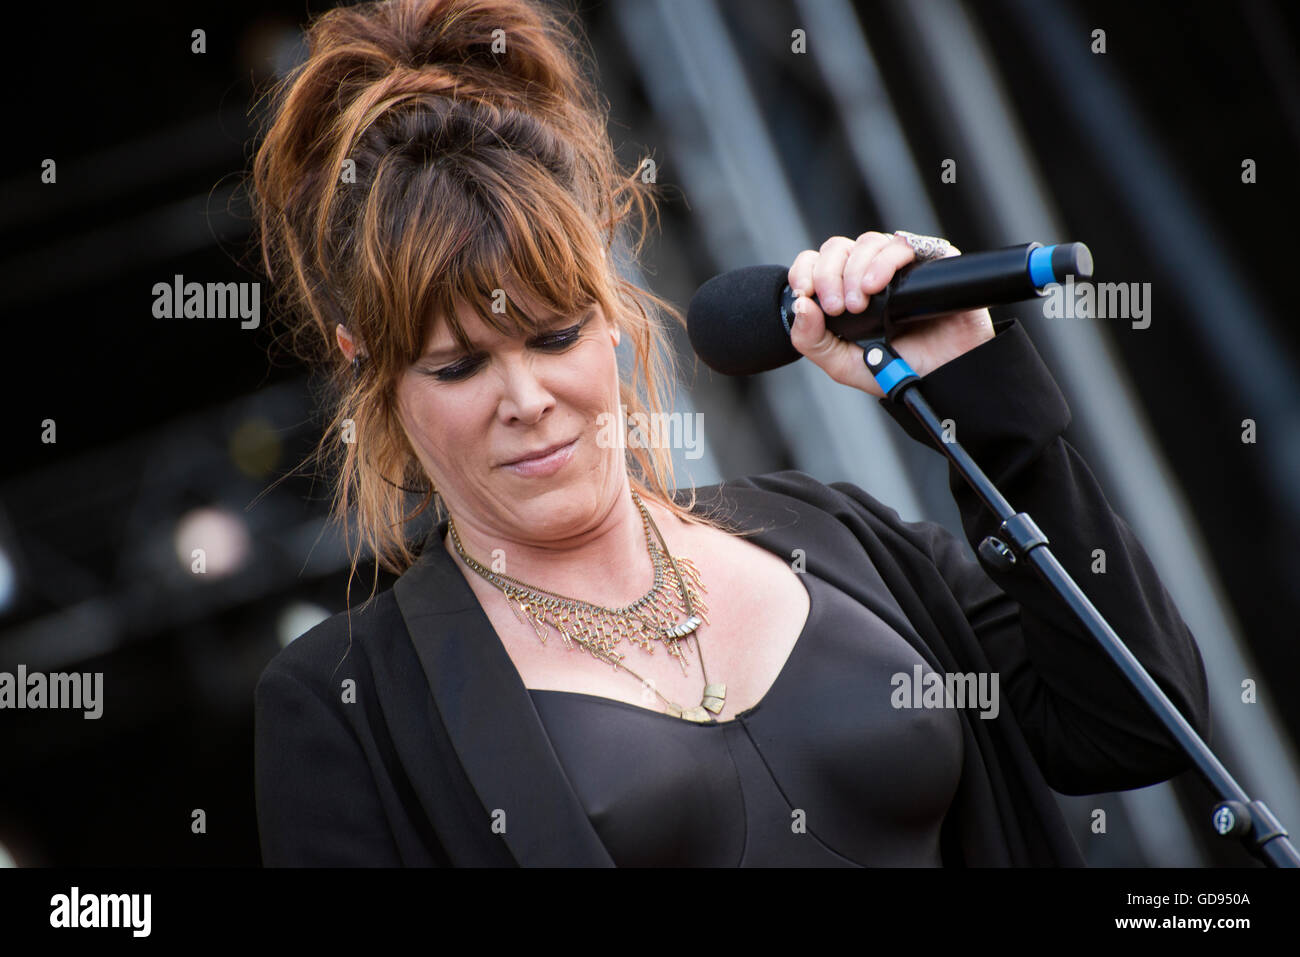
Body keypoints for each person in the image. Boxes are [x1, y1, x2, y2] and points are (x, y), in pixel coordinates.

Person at [250, 0, 1209, 866]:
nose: (529, 396)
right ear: (364, 362)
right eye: (459, 365)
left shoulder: (837, 539)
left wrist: (989, 403)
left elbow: (1136, 723)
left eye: (556, 335)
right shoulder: (349, 707)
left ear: (612, 312)